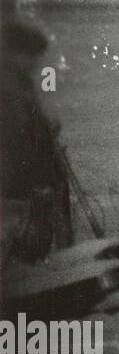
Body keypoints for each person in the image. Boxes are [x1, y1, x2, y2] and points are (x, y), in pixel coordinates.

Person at [1, 17, 71, 270]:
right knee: (29, 234)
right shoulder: (10, 89)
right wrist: (38, 179)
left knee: (35, 231)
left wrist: (46, 128)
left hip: (33, 175)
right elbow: (18, 139)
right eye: (31, 57)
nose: (35, 64)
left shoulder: (22, 83)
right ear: (17, 53)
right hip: (25, 180)